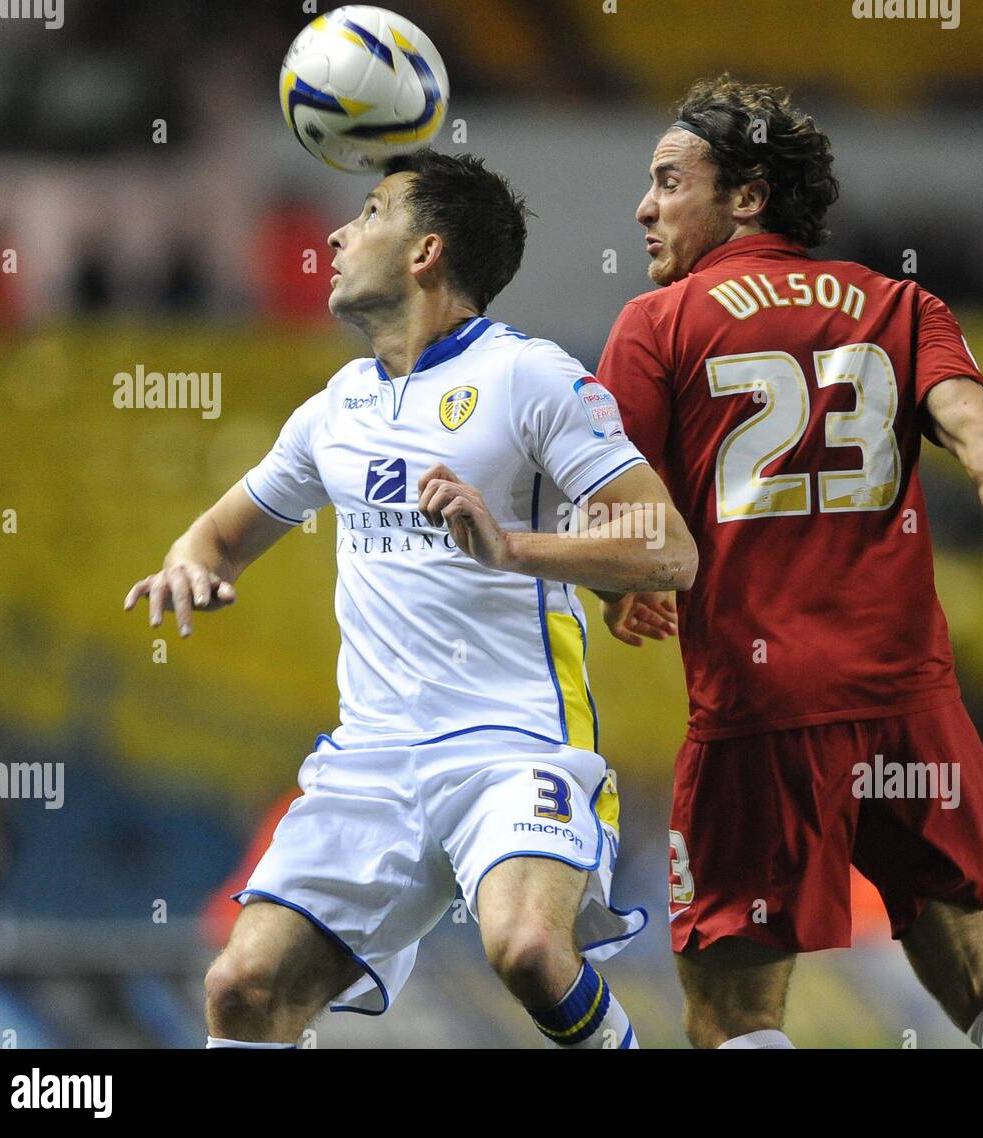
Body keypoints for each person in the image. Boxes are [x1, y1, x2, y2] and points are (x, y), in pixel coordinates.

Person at [125, 151, 696, 1049]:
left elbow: (670, 550)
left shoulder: (532, 379)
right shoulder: (335, 409)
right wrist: (190, 564)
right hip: (374, 762)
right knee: (241, 988)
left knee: (529, 948)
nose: (338, 235)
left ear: (427, 250)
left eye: (371, 212)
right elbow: (219, 535)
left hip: (513, 742)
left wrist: (516, 549)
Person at [595, 75, 983, 1049]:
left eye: (669, 180)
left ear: (747, 193)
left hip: (761, 715)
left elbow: (606, 504)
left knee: (729, 1019)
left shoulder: (657, 324)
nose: (644, 206)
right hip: (910, 705)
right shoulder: (900, 305)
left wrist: (618, 580)